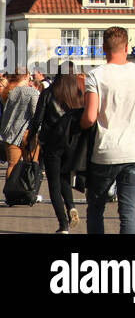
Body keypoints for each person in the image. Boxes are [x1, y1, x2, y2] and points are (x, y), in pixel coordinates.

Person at [82, 27, 135, 234]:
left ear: (103, 49)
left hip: (104, 152)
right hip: (133, 152)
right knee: (127, 212)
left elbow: (90, 117)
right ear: (127, 47)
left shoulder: (95, 76)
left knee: (96, 208)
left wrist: (78, 126)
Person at [31, 69, 85, 232]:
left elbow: (38, 118)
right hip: (72, 144)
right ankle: (71, 206)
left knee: (54, 184)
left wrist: (31, 138)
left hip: (51, 143)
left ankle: (63, 224)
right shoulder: (78, 94)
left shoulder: (48, 93)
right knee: (64, 179)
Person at [0, 70, 40, 173]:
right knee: (31, 164)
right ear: (26, 76)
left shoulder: (9, 92)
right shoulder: (32, 92)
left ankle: (9, 188)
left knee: (12, 165)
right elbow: (35, 113)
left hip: (10, 133)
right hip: (27, 133)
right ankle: (29, 188)